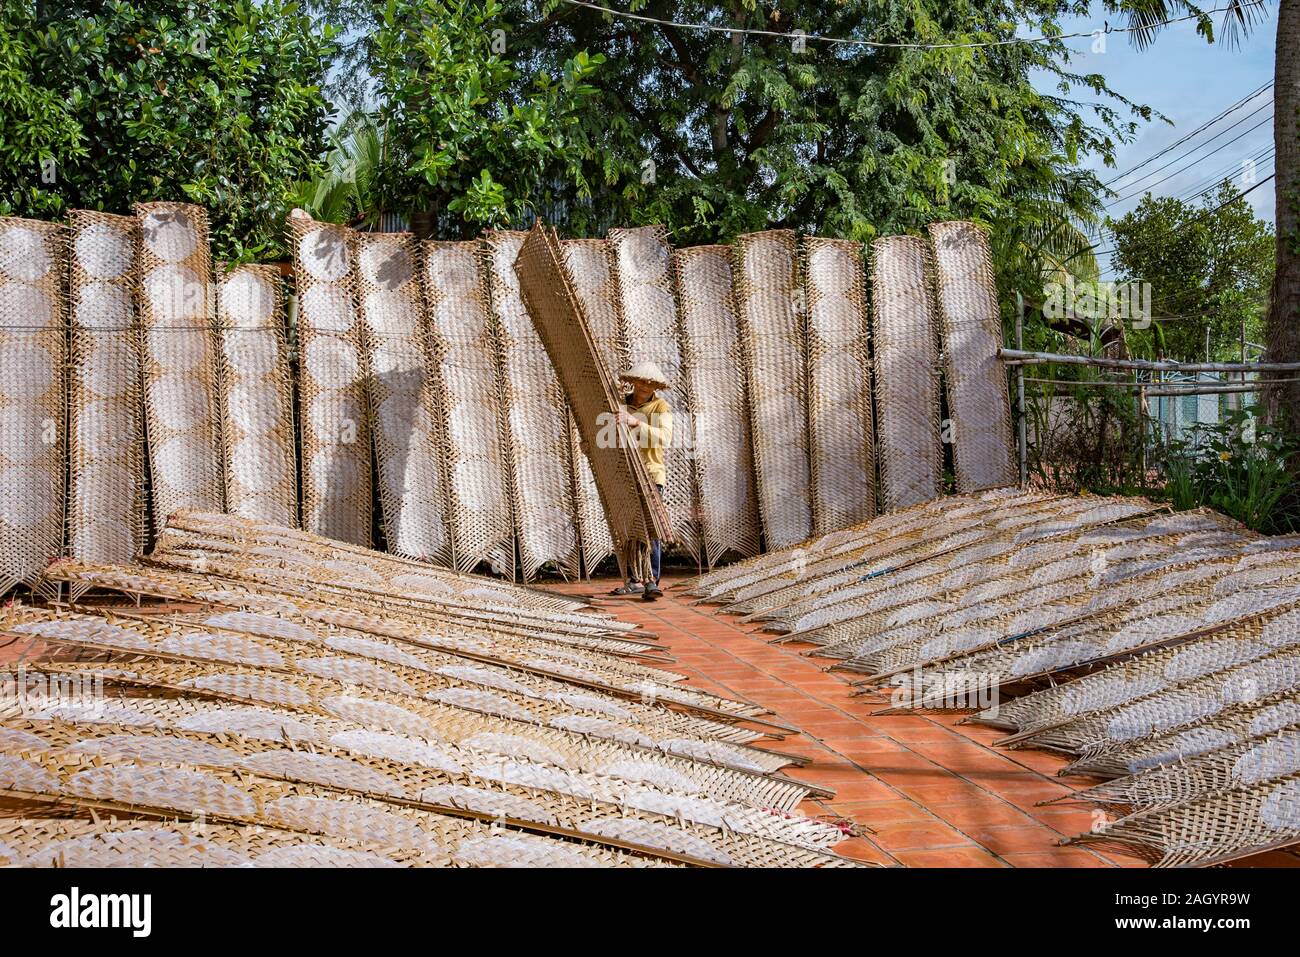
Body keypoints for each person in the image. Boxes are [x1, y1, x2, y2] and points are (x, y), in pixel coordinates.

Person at [610, 360, 672, 601]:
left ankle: (651, 580)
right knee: (627, 529)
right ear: (633, 382)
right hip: (623, 475)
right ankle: (634, 580)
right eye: (642, 381)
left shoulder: (660, 407)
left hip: (650, 474)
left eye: (651, 383)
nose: (646, 386)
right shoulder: (618, 405)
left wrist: (636, 422)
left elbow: (664, 438)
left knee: (650, 528)